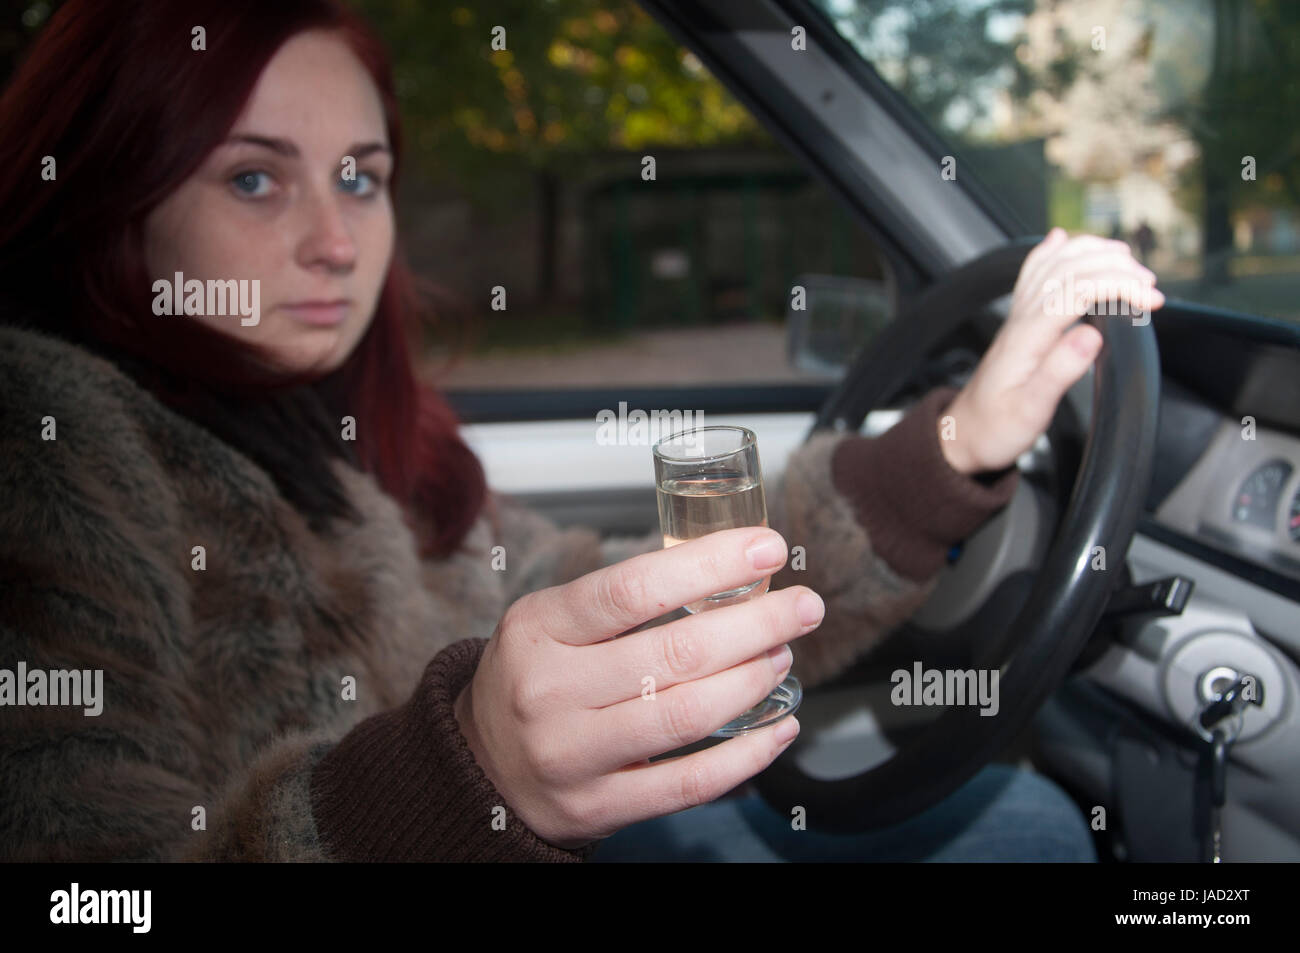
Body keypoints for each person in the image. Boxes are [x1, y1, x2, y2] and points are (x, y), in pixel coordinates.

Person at [0, 0, 1164, 862]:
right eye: (255, 182)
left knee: (1028, 816)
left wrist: (962, 437)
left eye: (361, 178)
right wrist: (470, 779)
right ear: (119, 190)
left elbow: (641, 599)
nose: (338, 242)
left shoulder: (349, 437)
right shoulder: (50, 436)